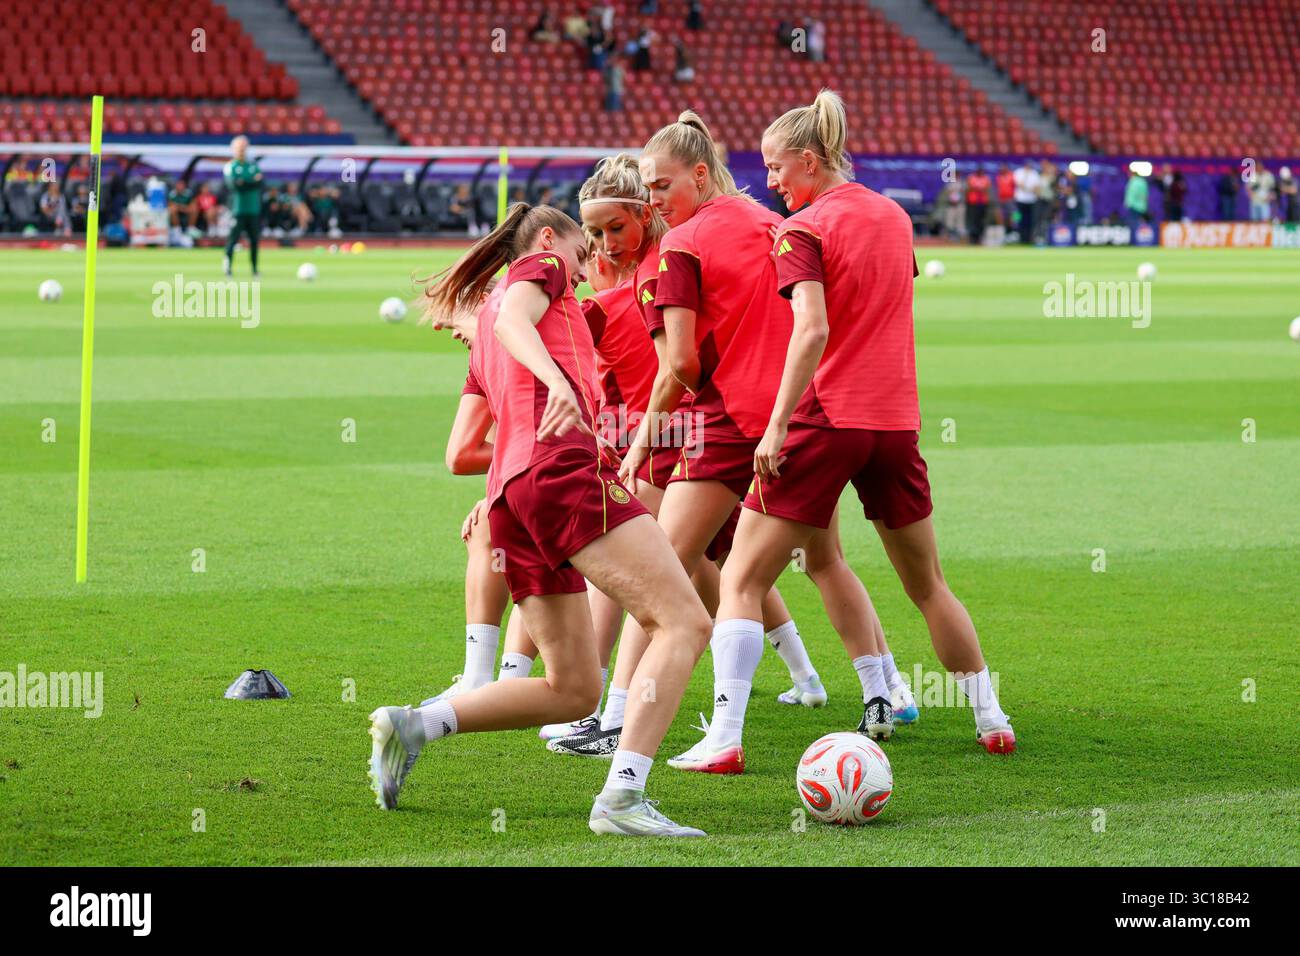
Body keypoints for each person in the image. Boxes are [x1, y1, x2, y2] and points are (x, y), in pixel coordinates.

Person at [368, 203, 715, 837]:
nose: (585, 271)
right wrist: (557, 382)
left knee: (574, 689)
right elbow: (518, 324)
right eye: (585, 255)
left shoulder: (502, 309)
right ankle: (622, 800)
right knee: (684, 621)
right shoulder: (544, 265)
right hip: (559, 477)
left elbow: (504, 338)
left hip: (515, 495)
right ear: (553, 241)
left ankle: (417, 724)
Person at [719, 89, 1013, 755]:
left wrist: (774, 427)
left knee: (741, 578)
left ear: (808, 159)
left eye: (774, 168)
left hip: (827, 419)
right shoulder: (893, 217)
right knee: (928, 585)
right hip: (895, 422)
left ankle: (725, 738)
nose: (769, 182)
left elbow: (813, 329)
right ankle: (990, 720)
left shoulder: (803, 229)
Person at [623, 111, 916, 772]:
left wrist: (640, 439)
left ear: (699, 175)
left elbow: (682, 368)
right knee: (822, 560)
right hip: (804, 413)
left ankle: (626, 721)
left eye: (658, 185)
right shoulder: (772, 222)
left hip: (736, 418)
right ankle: (885, 690)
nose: (651, 200)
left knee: (666, 566)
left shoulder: (684, 241)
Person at [548, 155, 838, 760]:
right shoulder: (735, 227)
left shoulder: (672, 254)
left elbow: (677, 367)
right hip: (751, 414)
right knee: (727, 562)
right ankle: (833, 681)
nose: (604, 245)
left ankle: (613, 717)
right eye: (596, 234)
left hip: (691, 423)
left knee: (648, 570)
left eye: (616, 227)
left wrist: (640, 436)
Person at [222, 135, 263, 277]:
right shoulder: (230, 166)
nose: (242, 150)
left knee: (254, 241)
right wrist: (251, 182)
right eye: (239, 148)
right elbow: (234, 186)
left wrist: (244, 182)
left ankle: (255, 269)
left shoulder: (252, 165)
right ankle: (227, 267)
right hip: (237, 209)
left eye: (244, 147)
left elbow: (260, 183)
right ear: (233, 149)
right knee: (232, 240)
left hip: (253, 209)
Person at [1012, 158, 1038, 243]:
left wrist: (1027, 189)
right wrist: (1026, 175)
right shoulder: (1019, 172)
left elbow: (1036, 188)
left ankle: (1028, 238)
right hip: (1020, 200)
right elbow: (1020, 185)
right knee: (1018, 218)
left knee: (1029, 220)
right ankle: (1019, 236)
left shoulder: (1034, 173)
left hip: (1031, 200)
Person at [965, 166, 990, 244]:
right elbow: (969, 188)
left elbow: (986, 188)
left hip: (982, 202)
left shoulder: (986, 178)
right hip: (973, 202)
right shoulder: (971, 177)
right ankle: (972, 238)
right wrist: (978, 188)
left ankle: (980, 238)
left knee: (981, 221)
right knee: (973, 220)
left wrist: (978, 188)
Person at [1122, 166, 1149, 231]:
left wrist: (1127, 204)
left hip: (1134, 206)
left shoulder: (1133, 181)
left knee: (1133, 223)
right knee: (1140, 222)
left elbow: (1131, 194)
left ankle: (1134, 237)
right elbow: (1146, 195)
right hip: (1142, 206)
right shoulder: (1143, 181)